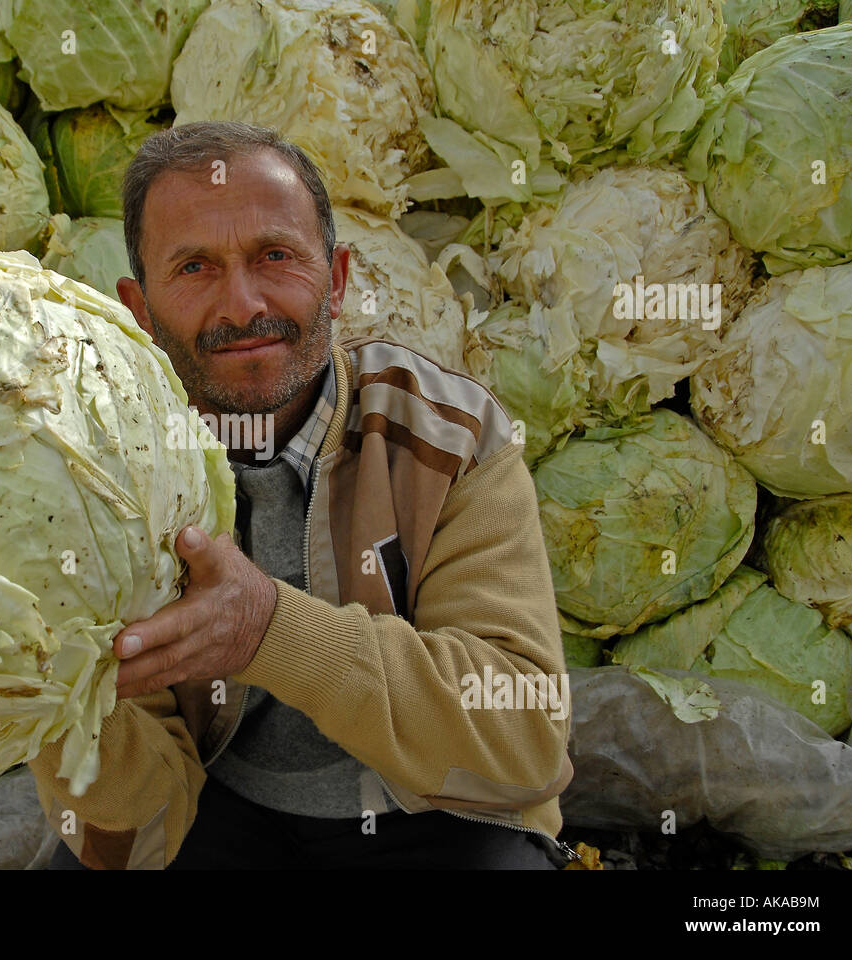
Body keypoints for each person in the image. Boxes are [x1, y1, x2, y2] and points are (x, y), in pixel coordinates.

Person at [30, 121, 575, 869]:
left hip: (433, 808)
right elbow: (136, 830)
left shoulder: (447, 435)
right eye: (194, 268)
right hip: (218, 808)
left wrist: (266, 631)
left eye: (275, 256)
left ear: (339, 278)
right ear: (140, 310)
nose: (242, 304)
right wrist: (53, 695)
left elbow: (526, 742)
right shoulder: (106, 480)